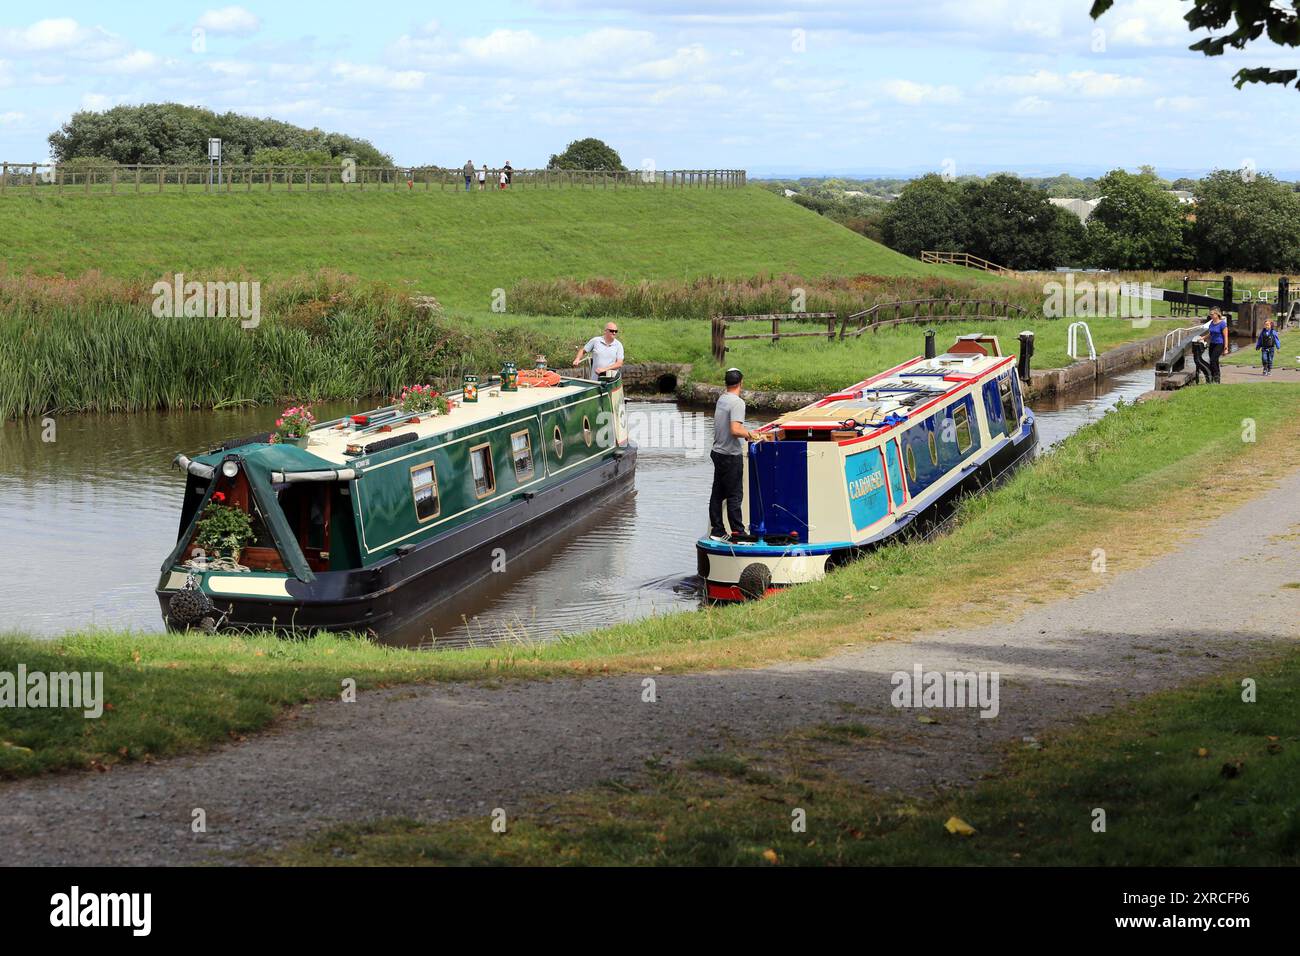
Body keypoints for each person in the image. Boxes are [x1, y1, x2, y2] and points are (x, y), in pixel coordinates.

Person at [709, 368, 763, 541]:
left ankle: (717, 530)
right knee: (735, 495)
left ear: (726, 383)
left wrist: (744, 433)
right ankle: (738, 533)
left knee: (717, 494)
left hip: (717, 451)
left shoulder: (722, 399)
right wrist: (751, 434)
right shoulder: (737, 402)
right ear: (741, 382)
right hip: (730, 455)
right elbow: (735, 429)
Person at [1201, 308, 1229, 383]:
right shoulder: (1211, 323)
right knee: (1215, 361)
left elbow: (1226, 336)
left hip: (1219, 344)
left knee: (1213, 360)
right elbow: (1211, 334)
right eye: (1210, 314)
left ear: (1217, 315)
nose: (1211, 315)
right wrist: (1203, 338)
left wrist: (1226, 348)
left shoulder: (1222, 324)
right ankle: (1216, 379)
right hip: (1212, 344)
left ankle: (1215, 377)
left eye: (1212, 314)